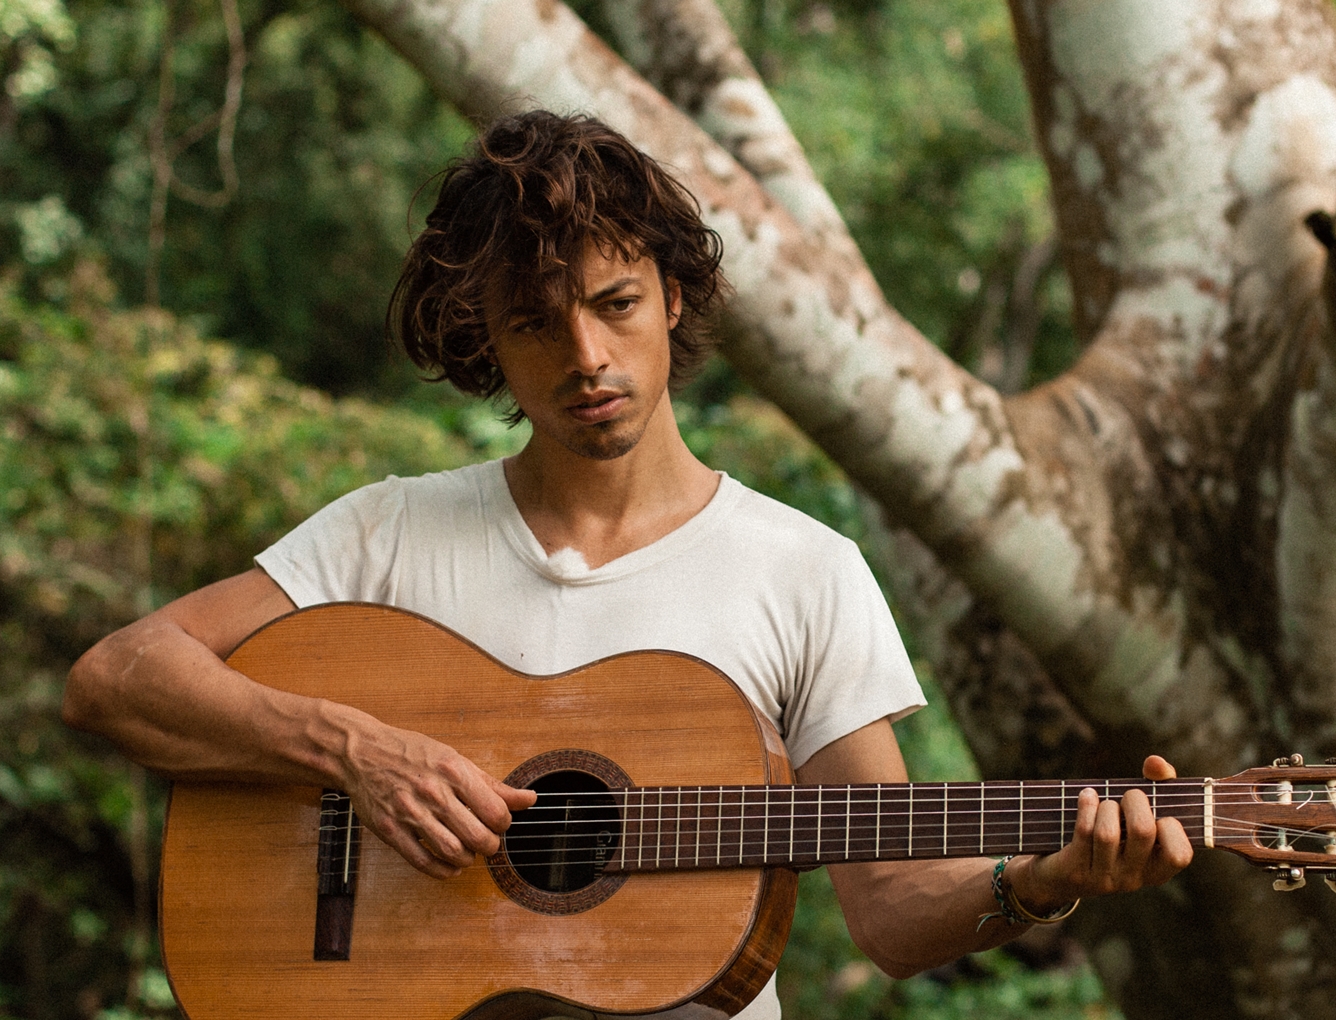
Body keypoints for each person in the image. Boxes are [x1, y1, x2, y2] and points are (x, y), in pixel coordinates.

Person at [62, 110, 1190, 1018]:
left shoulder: (805, 569)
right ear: (485, 337)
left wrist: (1041, 882)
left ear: (673, 297)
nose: (586, 356)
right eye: (534, 323)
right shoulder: (387, 533)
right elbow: (116, 678)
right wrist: (355, 751)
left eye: (615, 305)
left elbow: (890, 912)